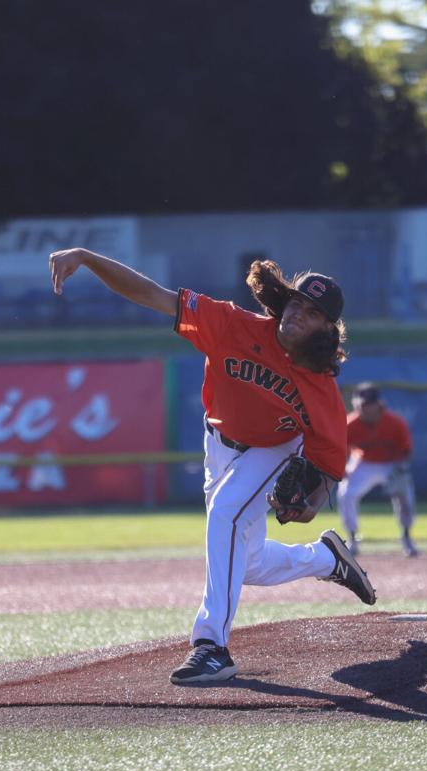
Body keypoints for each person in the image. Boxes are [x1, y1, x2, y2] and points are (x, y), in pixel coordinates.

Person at [50, 247, 375, 685]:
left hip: (275, 449)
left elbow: (327, 472)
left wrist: (309, 503)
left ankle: (211, 646)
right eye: (296, 300)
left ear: (326, 330)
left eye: (313, 311)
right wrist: (88, 258)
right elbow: (153, 295)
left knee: (225, 512)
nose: (299, 312)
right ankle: (326, 559)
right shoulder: (231, 325)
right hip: (218, 443)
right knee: (249, 563)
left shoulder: (319, 386)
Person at [338, 383, 418, 557]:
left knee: (406, 496)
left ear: (379, 405)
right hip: (363, 462)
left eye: (368, 404)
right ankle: (352, 539)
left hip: (391, 464)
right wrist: (343, 467)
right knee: (346, 494)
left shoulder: (395, 422)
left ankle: (407, 539)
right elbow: (341, 448)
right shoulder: (351, 423)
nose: (364, 408)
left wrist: (400, 468)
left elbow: (407, 451)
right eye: (361, 405)